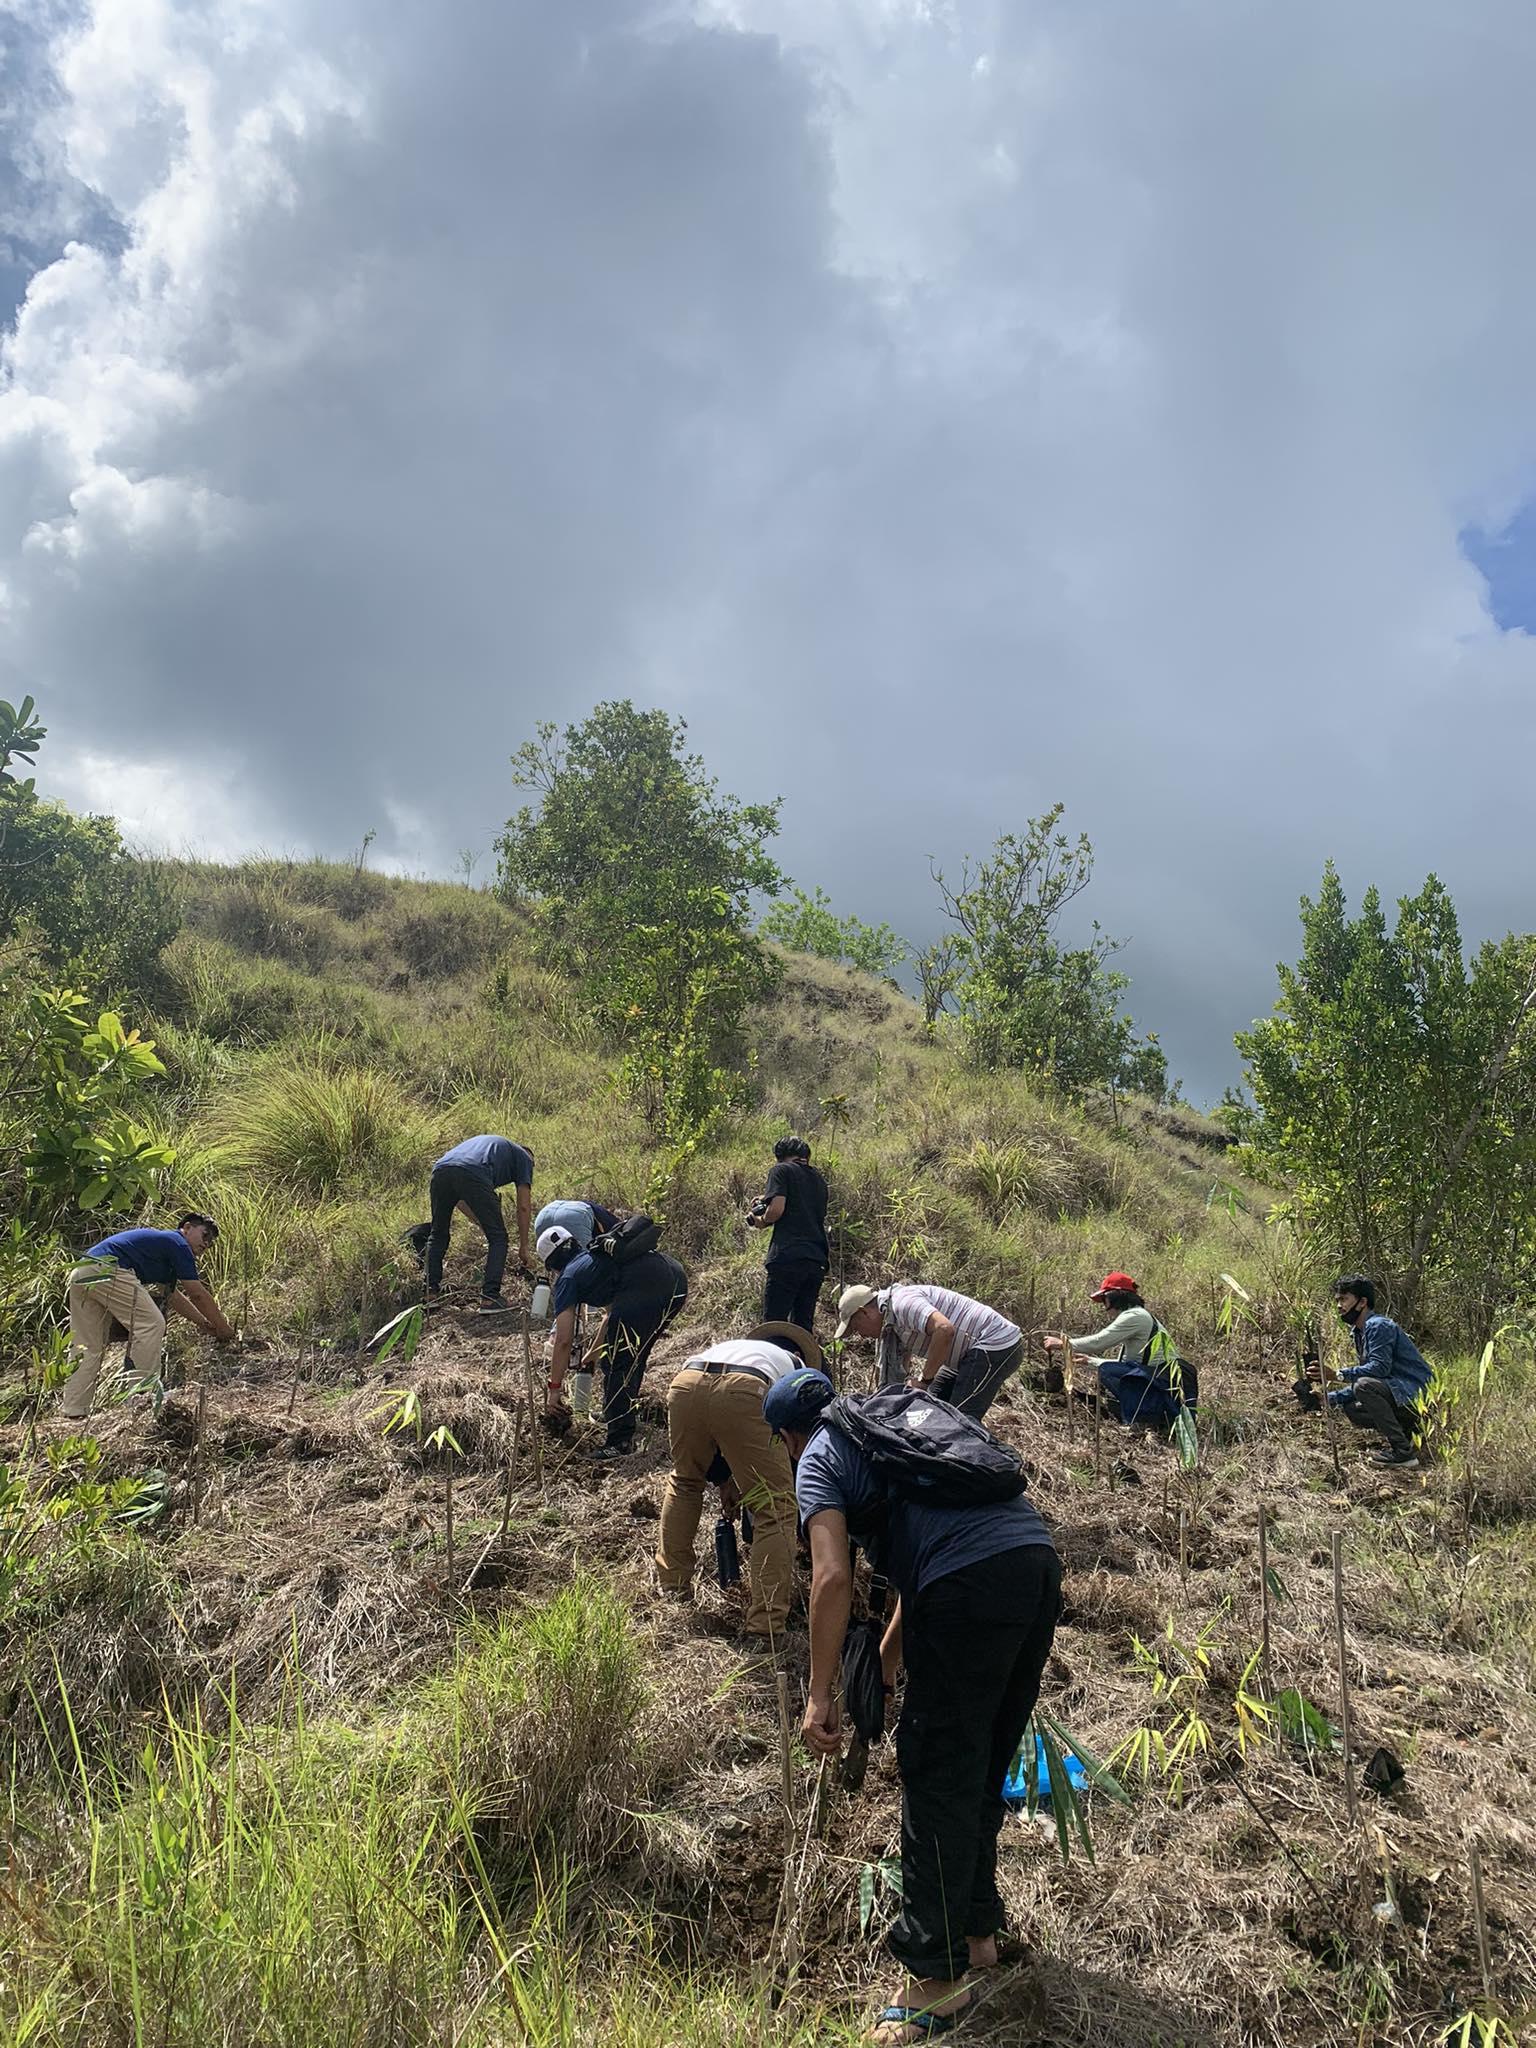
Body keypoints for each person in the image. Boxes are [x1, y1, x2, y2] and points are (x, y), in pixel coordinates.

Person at [764, 1368, 1061, 2045]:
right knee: (979, 1760)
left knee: (932, 1771)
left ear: (785, 1435)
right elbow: (911, 1587)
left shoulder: (818, 1456)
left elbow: (833, 1577)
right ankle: (979, 1933)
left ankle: (934, 1978)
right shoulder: (895, 1424)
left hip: (969, 1584)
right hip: (1034, 1564)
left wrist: (817, 1697)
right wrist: (887, 1675)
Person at [655, 1321, 810, 1640]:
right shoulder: (799, 1369)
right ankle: (765, 1625)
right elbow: (799, 1440)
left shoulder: (734, 1348)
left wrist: (726, 1478)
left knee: (685, 1483)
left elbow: (717, 1418)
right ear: (797, 1352)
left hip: (685, 1382)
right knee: (776, 1507)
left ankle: (673, 1587)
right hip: (746, 1390)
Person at [60, 1214, 236, 1421]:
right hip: (108, 1268)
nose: (206, 1244)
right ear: (187, 1227)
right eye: (204, 1235)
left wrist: (204, 1324)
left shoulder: (165, 1253)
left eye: (210, 1243)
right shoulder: (177, 1243)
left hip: (81, 1271)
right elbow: (197, 1293)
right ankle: (143, 1396)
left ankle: (74, 1410)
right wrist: (223, 1328)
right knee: (151, 1324)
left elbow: (173, 1296)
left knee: (88, 1345)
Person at [539, 1225, 688, 1457]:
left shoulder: (568, 1278)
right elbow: (610, 1316)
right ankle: (617, 1413)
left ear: (552, 1265)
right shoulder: (593, 1258)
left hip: (649, 1286)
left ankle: (619, 1441)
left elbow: (563, 1341)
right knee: (633, 1355)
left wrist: (555, 1389)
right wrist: (592, 1354)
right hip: (675, 1278)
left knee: (617, 1362)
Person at [835, 1280, 1023, 1420]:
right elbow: (903, 1360)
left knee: (962, 1419)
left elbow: (944, 1329)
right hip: (964, 1354)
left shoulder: (902, 1303)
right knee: (930, 1408)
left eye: (856, 1327)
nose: (860, 1335)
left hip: (995, 1344)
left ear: (865, 1312)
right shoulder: (891, 1321)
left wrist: (924, 1381)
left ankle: (977, 1465)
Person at [1305, 1276, 1430, 1467]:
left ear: (1362, 1302)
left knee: (1364, 1387)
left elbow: (1378, 1369)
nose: (1339, 1306)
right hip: (1399, 1394)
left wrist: (1337, 1374)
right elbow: (1373, 1380)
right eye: (1337, 1300)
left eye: (1344, 1299)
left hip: (1418, 1397)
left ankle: (1403, 1453)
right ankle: (1409, 1435)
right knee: (1353, 1407)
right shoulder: (1359, 1332)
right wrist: (1328, 1398)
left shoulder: (1378, 1325)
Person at [1043, 1271, 1193, 1430]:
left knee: (1107, 1371)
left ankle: (1144, 1420)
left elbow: (1099, 1342)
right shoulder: (1139, 1316)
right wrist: (1090, 1361)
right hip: (1163, 1380)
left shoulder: (1134, 1316)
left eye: (1104, 1300)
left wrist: (1063, 1343)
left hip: (1164, 1382)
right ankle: (1151, 1418)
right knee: (1109, 1369)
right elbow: (1129, 1365)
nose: (1104, 1306)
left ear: (1115, 1297)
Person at [424, 1135, 534, 1309]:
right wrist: (524, 1246)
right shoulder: (524, 1157)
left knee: (438, 1234)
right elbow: (523, 1207)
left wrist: (482, 1222)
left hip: (440, 1170)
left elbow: (460, 1199)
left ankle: (430, 1293)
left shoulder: (490, 1150)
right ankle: (490, 1297)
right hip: (472, 1172)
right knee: (498, 1238)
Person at [745, 1135, 829, 1333]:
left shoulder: (780, 1170)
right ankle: (805, 1361)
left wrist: (761, 1221)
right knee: (803, 1327)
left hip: (787, 1257)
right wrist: (767, 1197)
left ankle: (774, 1361)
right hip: (816, 1260)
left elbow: (776, 1211)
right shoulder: (819, 1180)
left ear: (781, 1157)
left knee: (774, 1324)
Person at [533, 1196, 620, 1252]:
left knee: (553, 1257)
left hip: (543, 1215)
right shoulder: (614, 1226)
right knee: (586, 1263)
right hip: (574, 1217)